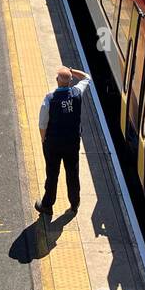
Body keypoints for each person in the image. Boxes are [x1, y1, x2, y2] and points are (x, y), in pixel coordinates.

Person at [35, 66, 91, 217]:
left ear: (57, 80)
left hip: (53, 143)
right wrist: (71, 71)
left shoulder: (49, 98)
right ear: (70, 81)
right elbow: (87, 78)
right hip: (72, 142)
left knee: (52, 173)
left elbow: (42, 124)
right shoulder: (77, 93)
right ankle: (74, 203)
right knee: (72, 172)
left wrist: (43, 140)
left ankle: (47, 205)